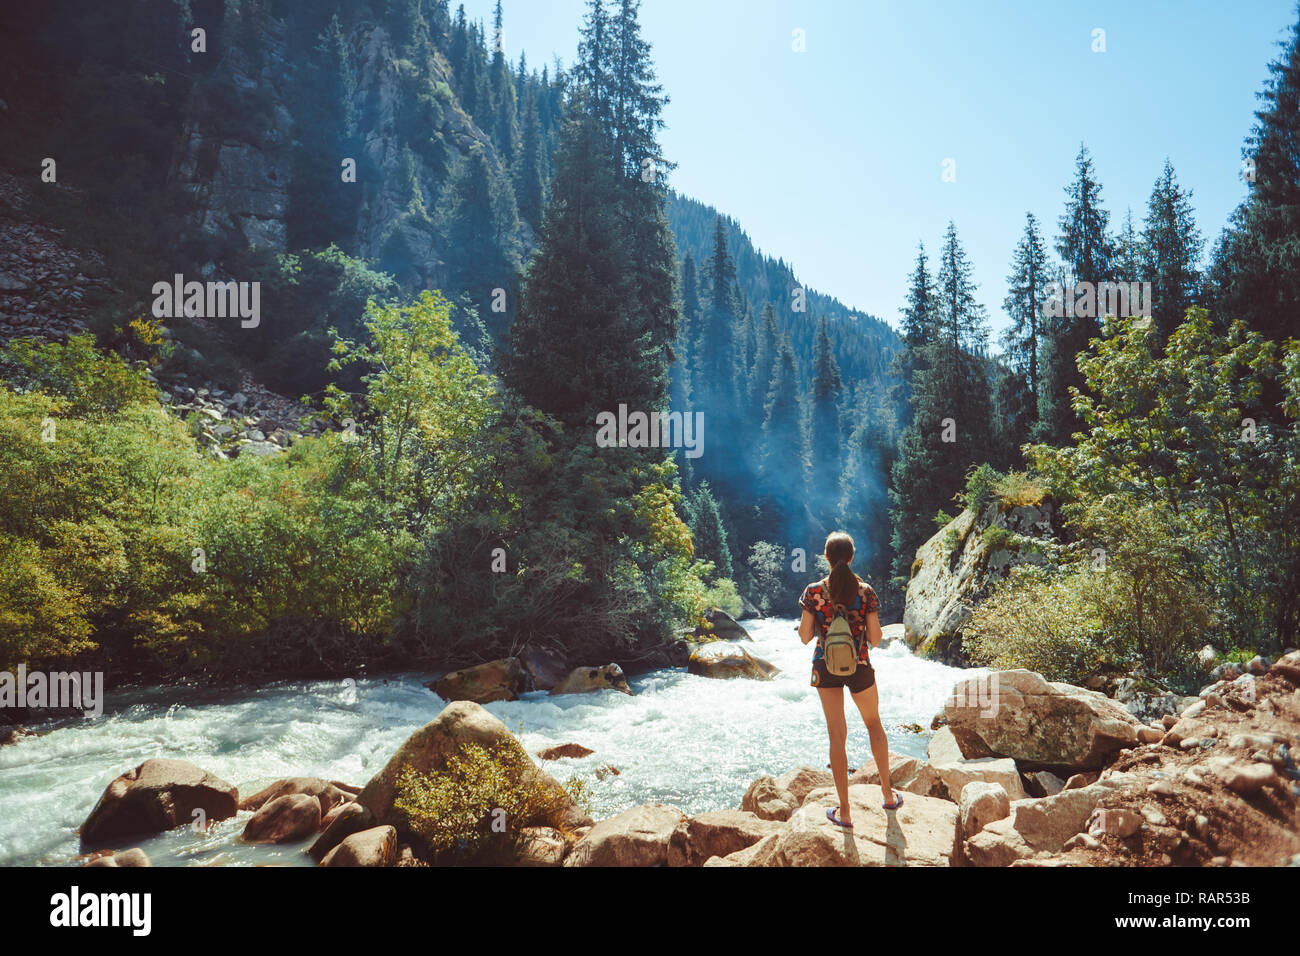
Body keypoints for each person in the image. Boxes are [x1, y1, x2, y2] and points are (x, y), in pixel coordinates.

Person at [798, 531, 899, 828]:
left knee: (836, 736)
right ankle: (888, 795)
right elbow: (876, 639)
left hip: (825, 665)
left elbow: (804, 636)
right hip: (860, 665)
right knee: (874, 725)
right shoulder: (865, 591)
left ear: (826, 558)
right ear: (852, 557)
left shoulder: (813, 591)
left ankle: (844, 812)